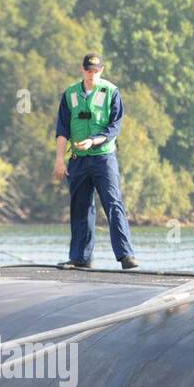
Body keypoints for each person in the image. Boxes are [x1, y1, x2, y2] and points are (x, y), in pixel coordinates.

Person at [53, 53, 138, 270]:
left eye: (96, 70)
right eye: (89, 70)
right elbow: (62, 129)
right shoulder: (70, 94)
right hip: (78, 159)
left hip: (103, 158)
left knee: (113, 204)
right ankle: (80, 257)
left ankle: (126, 256)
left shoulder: (111, 92)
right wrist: (59, 160)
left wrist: (93, 141)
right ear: (82, 70)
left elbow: (114, 127)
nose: (92, 74)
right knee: (80, 208)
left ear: (102, 70)